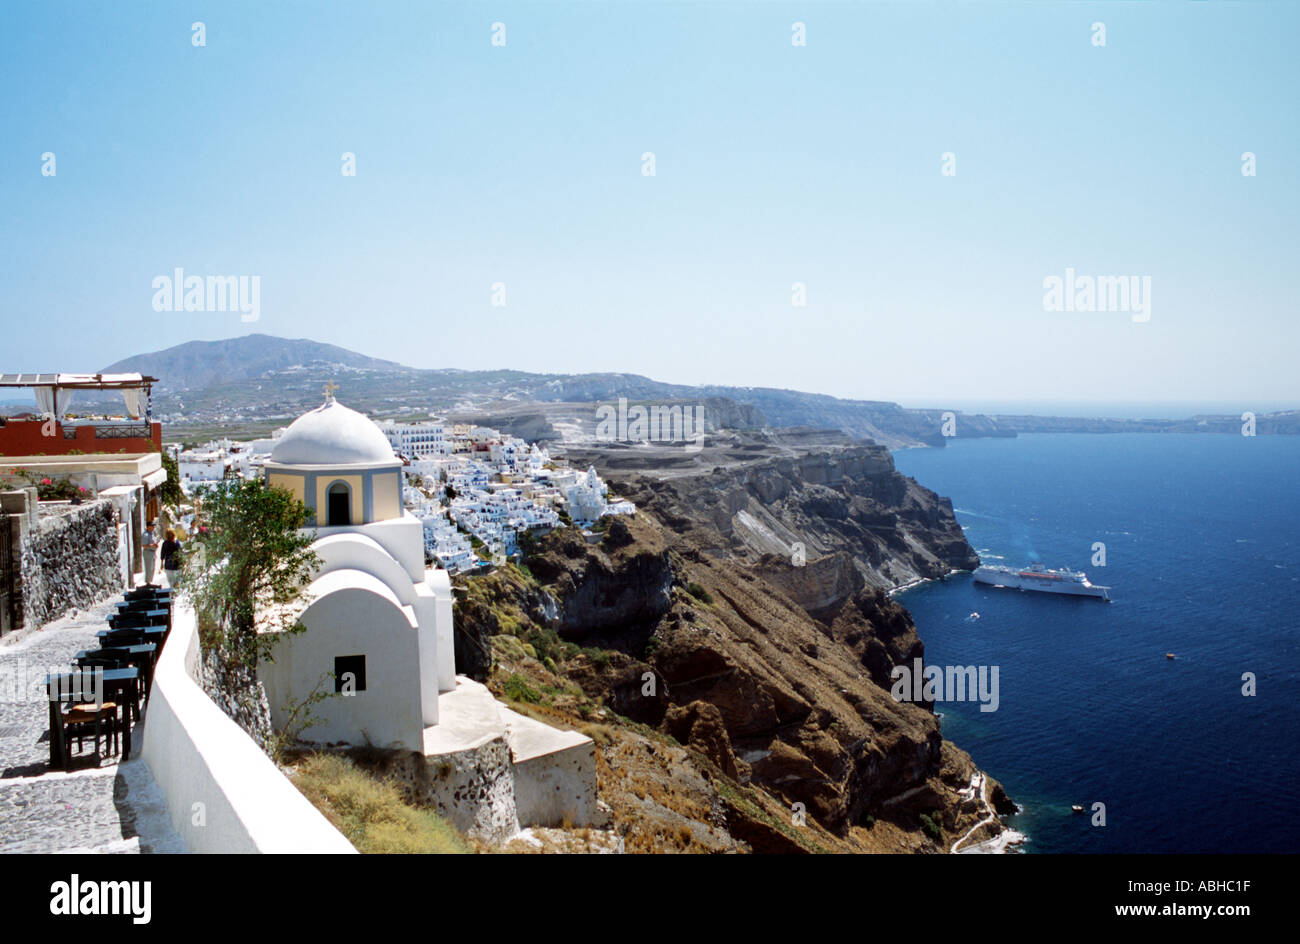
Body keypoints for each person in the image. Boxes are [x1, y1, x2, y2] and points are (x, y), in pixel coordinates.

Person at [141, 521, 159, 586]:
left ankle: (150, 581)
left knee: (152, 568)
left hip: (153, 552)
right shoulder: (145, 534)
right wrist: (152, 545)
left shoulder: (152, 534)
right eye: (152, 526)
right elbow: (143, 545)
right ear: (148, 527)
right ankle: (148, 582)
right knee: (148, 567)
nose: (153, 527)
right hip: (148, 552)